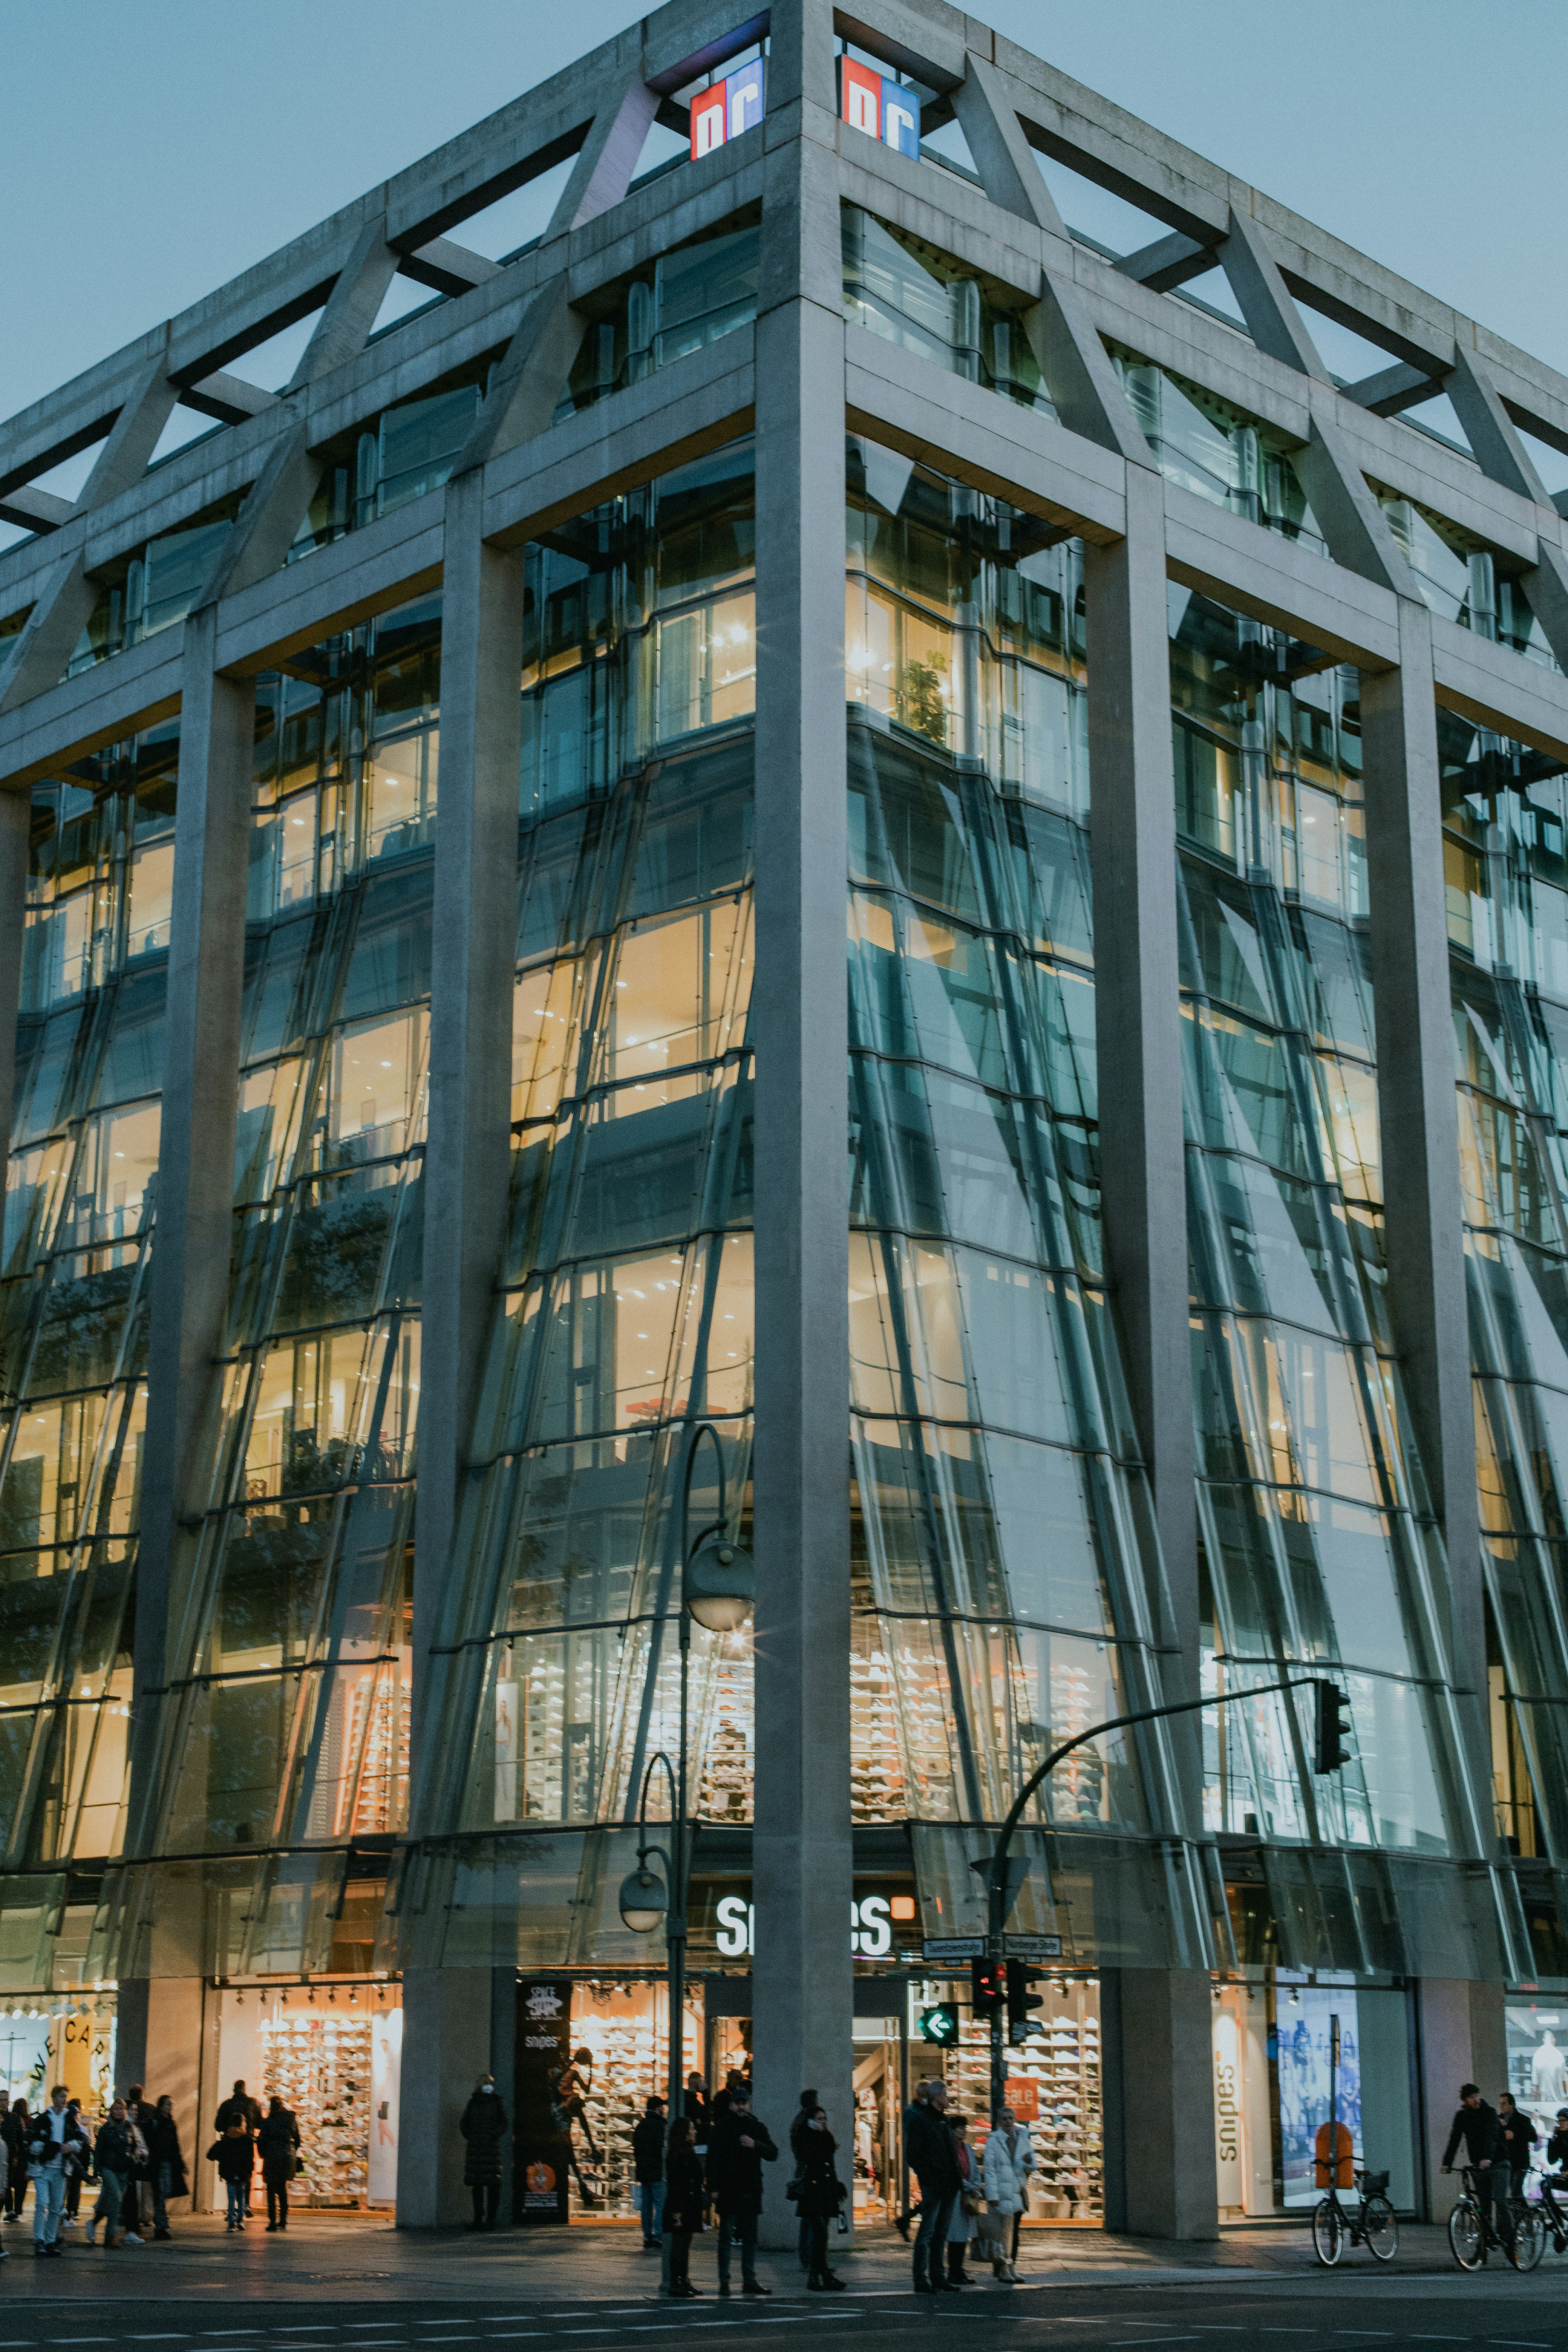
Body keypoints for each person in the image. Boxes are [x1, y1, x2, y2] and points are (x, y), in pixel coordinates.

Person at [705, 2085, 776, 2297]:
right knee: (726, 2236)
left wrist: (755, 2145)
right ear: (731, 2105)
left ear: (749, 2103)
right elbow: (713, 2159)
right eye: (738, 2103)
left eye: (744, 2103)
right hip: (729, 2188)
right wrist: (714, 2188)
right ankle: (725, 2281)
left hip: (750, 2187)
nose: (741, 2107)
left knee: (749, 2237)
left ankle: (749, 2279)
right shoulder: (722, 2127)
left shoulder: (756, 2126)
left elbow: (773, 2153)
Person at [904, 2078, 960, 2295]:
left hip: (947, 2185)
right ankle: (921, 2277)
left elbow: (950, 2154)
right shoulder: (923, 2121)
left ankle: (937, 2276)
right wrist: (929, 2178)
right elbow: (914, 2156)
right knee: (928, 2232)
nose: (948, 2099)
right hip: (936, 2185)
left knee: (940, 2232)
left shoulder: (944, 2121)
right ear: (937, 2097)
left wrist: (955, 2180)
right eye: (945, 2095)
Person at [26, 2085, 92, 2257]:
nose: (64, 2100)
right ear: (54, 2097)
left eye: (66, 2097)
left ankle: (50, 2241)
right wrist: (45, 2148)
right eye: (62, 2096)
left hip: (61, 2170)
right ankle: (39, 2240)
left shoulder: (70, 2120)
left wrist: (71, 2146)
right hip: (43, 2169)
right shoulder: (43, 2119)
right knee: (42, 2203)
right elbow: (31, 2140)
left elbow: (82, 2138)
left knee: (56, 2207)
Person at [1442, 2082, 1506, 2260]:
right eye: (1470, 2098)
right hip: (1479, 2165)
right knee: (1483, 2209)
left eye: (1476, 2096)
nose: (1474, 2100)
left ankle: (1508, 2240)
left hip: (1498, 2161)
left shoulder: (1490, 2113)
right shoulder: (1462, 2116)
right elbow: (1454, 2139)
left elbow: (1491, 2137)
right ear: (1464, 2101)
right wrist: (1447, 2163)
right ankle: (1481, 2251)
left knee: (1500, 2201)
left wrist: (1488, 2158)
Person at [795, 2102, 847, 2291]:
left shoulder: (826, 2137)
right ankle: (816, 2275)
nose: (823, 2122)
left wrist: (836, 2186)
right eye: (819, 2119)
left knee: (823, 2235)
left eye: (825, 2119)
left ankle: (822, 2275)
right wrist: (815, 2135)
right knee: (820, 2233)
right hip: (811, 2192)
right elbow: (807, 2158)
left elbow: (829, 2166)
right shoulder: (805, 2137)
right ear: (810, 2121)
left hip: (825, 2191)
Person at [983, 2104, 1034, 2285]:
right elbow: (989, 2170)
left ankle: (1012, 2267)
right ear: (999, 2121)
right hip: (1003, 2192)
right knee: (1003, 2234)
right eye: (1004, 2119)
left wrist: (1029, 2163)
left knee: (1015, 2234)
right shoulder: (994, 2141)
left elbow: (1032, 2165)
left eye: (1011, 2118)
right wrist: (992, 2194)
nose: (1008, 2122)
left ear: (1015, 2120)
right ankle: (1004, 2268)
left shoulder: (1022, 2138)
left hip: (1017, 2191)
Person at [87, 2099, 141, 2249]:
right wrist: (96, 2172)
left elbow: (135, 2146)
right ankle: (111, 2235)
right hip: (109, 2168)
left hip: (124, 2170)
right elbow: (98, 2151)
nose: (118, 2112)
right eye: (115, 2109)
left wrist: (133, 2159)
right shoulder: (106, 2129)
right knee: (116, 2197)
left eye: (121, 2109)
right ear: (112, 2111)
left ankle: (108, 2236)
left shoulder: (129, 2128)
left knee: (116, 2203)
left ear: (125, 2111)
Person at [663, 2113, 707, 2300]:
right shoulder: (680, 2153)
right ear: (684, 2133)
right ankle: (677, 2282)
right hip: (681, 2205)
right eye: (691, 2129)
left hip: (687, 2204)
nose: (695, 2132)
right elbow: (679, 2182)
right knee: (680, 2244)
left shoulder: (684, 2151)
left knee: (685, 2243)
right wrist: (679, 2209)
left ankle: (683, 2280)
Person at [459, 2073, 507, 2231]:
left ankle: (489, 2220)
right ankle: (480, 2219)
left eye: (490, 2083)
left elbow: (503, 2124)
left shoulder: (495, 2102)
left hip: (484, 2148)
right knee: (479, 2186)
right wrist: (472, 2135)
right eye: (486, 2084)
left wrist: (491, 2135)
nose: (489, 2086)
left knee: (490, 2185)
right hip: (481, 2148)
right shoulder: (474, 2103)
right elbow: (464, 2123)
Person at [145, 2095, 187, 2240]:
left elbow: (176, 2145)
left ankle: (161, 2222)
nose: (171, 2106)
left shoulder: (171, 2123)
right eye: (168, 2104)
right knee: (161, 2194)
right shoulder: (155, 2122)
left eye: (171, 2103)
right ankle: (161, 2225)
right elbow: (150, 2142)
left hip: (169, 2163)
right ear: (162, 2105)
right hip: (158, 2163)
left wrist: (181, 2163)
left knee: (165, 2192)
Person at [257, 2094, 301, 2233]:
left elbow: (261, 2141)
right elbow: (298, 2139)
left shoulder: (268, 2122)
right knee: (282, 2188)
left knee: (271, 2188)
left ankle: (272, 2221)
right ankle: (283, 2220)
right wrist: (292, 2150)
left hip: (272, 2155)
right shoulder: (290, 2119)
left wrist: (263, 2155)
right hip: (287, 2154)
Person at [208, 2115, 255, 2232]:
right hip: (243, 2172)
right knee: (241, 2196)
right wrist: (250, 2171)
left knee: (231, 2197)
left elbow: (212, 2155)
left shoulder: (226, 2139)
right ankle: (240, 2220)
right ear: (242, 2123)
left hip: (229, 2172)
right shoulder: (247, 2139)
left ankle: (231, 2222)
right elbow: (250, 2158)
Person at [946, 2113, 978, 2286]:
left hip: (967, 2198)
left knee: (963, 2237)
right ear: (951, 2131)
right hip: (956, 2196)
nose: (963, 2131)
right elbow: (954, 2174)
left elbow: (974, 2170)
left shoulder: (967, 2149)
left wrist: (976, 2185)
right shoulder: (950, 2150)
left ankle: (959, 2270)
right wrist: (969, 2186)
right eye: (959, 2128)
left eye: (964, 2128)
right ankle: (954, 2271)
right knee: (955, 2237)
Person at [631, 2095, 666, 2249]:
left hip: (643, 2172)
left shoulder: (641, 2125)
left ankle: (647, 2235)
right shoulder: (661, 2126)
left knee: (647, 2204)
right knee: (660, 2204)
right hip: (657, 2171)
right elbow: (661, 2149)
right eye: (662, 2107)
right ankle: (658, 2235)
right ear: (658, 2108)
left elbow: (636, 2149)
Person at [789, 2090, 818, 2272]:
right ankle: (809, 2258)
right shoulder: (808, 2123)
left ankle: (809, 2258)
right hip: (809, 2174)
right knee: (811, 2218)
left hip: (804, 2171)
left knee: (808, 2218)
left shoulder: (800, 2121)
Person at [1497, 2091, 1538, 2207]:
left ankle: (1524, 2214)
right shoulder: (1498, 2120)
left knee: (1516, 2191)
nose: (1502, 2107)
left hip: (1520, 2162)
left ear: (1512, 2105)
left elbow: (1533, 2137)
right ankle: (1522, 2216)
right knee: (1513, 2193)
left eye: (1505, 2104)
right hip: (1506, 2162)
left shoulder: (1523, 2120)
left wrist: (1515, 2135)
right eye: (1501, 2104)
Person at [3, 2096, 29, 2223]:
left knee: (6, 2183)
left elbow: (21, 2139)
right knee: (14, 2184)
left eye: (5, 2100)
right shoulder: (22, 2120)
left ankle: (11, 2210)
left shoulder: (14, 2119)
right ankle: (15, 2210)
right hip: (15, 2159)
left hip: (12, 2158)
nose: (4, 2103)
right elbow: (23, 2140)